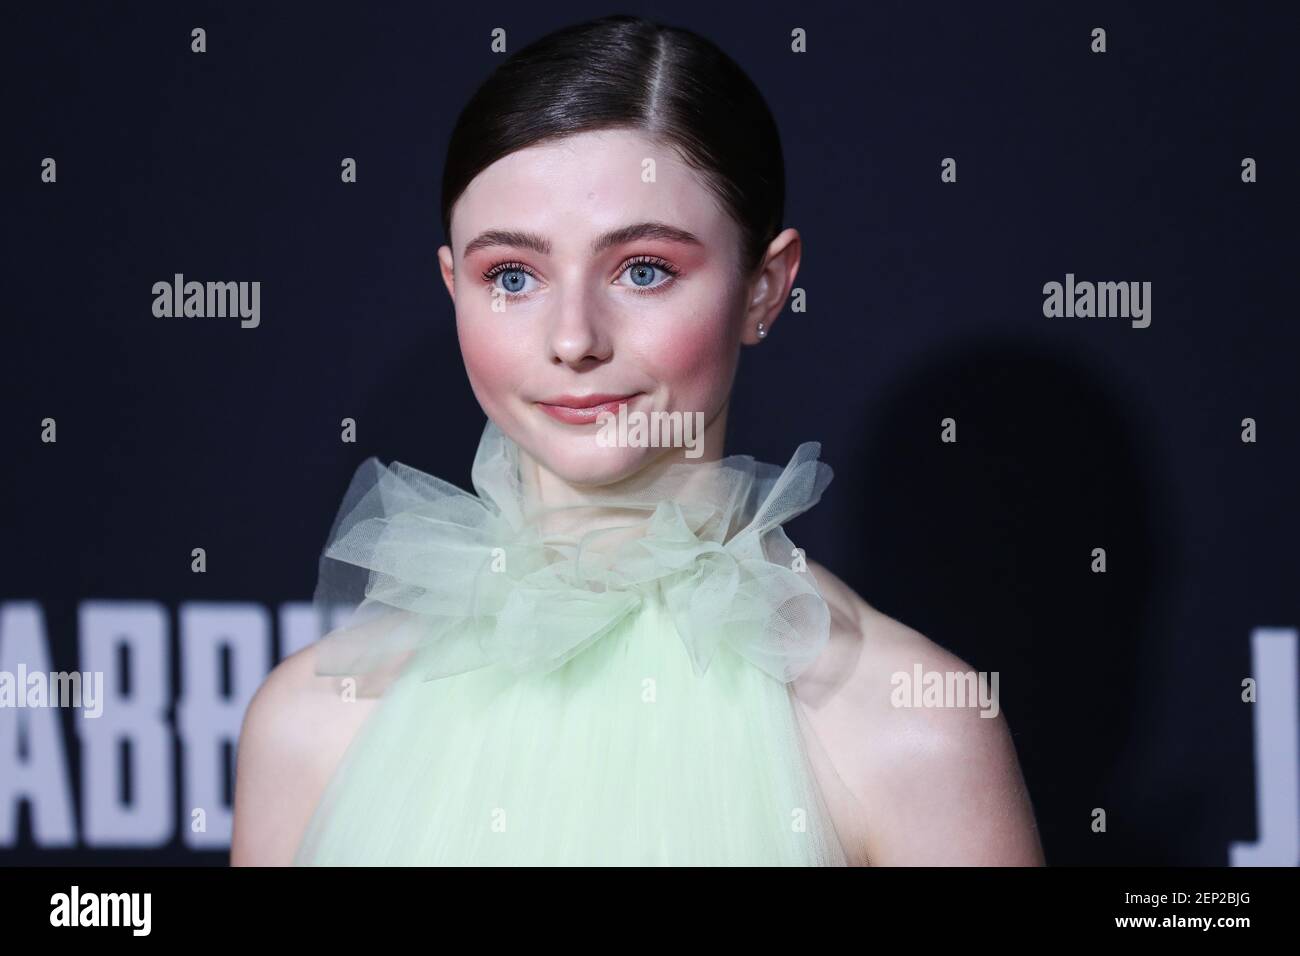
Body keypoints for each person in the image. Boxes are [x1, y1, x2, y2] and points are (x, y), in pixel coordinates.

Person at [230, 13, 1044, 866]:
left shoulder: (910, 730)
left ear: (766, 288)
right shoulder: (308, 726)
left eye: (644, 270)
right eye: (512, 275)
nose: (574, 338)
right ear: (452, 286)